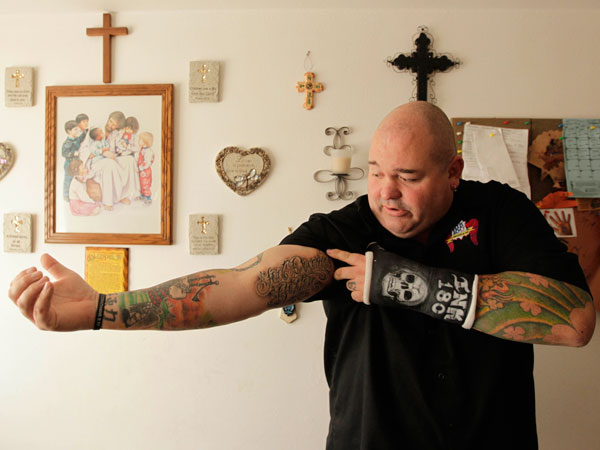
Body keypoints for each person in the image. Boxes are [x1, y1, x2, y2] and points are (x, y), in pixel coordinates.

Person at [9, 102, 595, 450]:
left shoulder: (501, 212)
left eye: (409, 177)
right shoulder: (344, 230)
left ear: (454, 171)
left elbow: (573, 321)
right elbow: (241, 285)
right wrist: (100, 310)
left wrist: (400, 284)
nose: (386, 193)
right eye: (376, 171)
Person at [61, 120, 88, 201]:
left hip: (75, 163)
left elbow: (80, 138)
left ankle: (75, 195)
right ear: (69, 131)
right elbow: (64, 153)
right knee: (68, 179)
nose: (77, 131)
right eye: (75, 129)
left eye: (77, 129)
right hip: (69, 164)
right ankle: (66, 196)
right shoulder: (67, 142)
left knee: (76, 179)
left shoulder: (76, 139)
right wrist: (73, 153)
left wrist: (85, 131)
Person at [136, 131, 155, 204]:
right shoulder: (142, 149)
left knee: (145, 184)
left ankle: (148, 197)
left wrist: (141, 168)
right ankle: (142, 195)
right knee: (141, 183)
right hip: (141, 170)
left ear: (145, 142)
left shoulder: (148, 151)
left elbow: (147, 162)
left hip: (145, 171)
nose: (138, 141)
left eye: (140, 140)